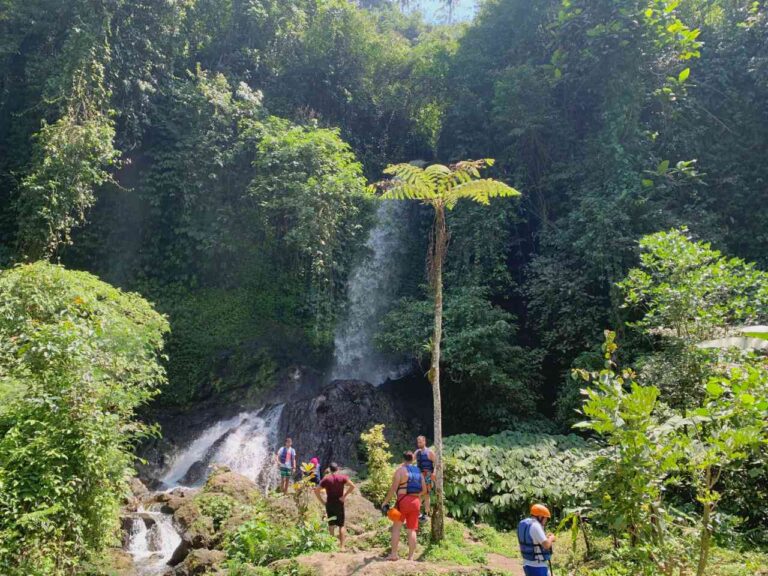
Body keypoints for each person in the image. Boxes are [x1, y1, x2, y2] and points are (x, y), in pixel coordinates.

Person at [382, 451, 425, 561]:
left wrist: (385, 502)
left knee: (396, 527)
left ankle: (394, 555)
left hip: (403, 501)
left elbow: (393, 489)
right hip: (416, 502)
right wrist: (416, 497)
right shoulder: (419, 472)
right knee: (412, 530)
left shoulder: (400, 471)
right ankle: (410, 558)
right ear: (413, 459)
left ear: (403, 459)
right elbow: (424, 490)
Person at [314, 462, 356, 550]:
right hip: (339, 503)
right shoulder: (342, 478)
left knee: (331, 525)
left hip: (329, 503)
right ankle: (342, 547)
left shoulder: (326, 479)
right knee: (341, 525)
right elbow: (352, 486)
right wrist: (344, 496)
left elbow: (316, 491)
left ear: (329, 469)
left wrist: (322, 501)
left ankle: (331, 545)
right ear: (337, 469)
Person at [517, 504, 556, 576]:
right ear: (540, 516)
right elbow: (546, 545)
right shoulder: (536, 526)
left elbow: (533, 540)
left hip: (527, 564)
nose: (546, 520)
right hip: (538, 567)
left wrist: (546, 537)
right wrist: (551, 538)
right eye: (546, 518)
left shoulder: (524, 523)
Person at [414, 435, 435, 521]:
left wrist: (434, 473)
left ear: (424, 442)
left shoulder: (430, 452)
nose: (419, 443)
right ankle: (419, 513)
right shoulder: (417, 452)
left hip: (428, 475)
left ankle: (426, 513)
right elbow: (410, 459)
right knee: (418, 494)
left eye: (421, 442)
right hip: (419, 475)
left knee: (426, 494)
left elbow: (437, 463)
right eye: (418, 442)